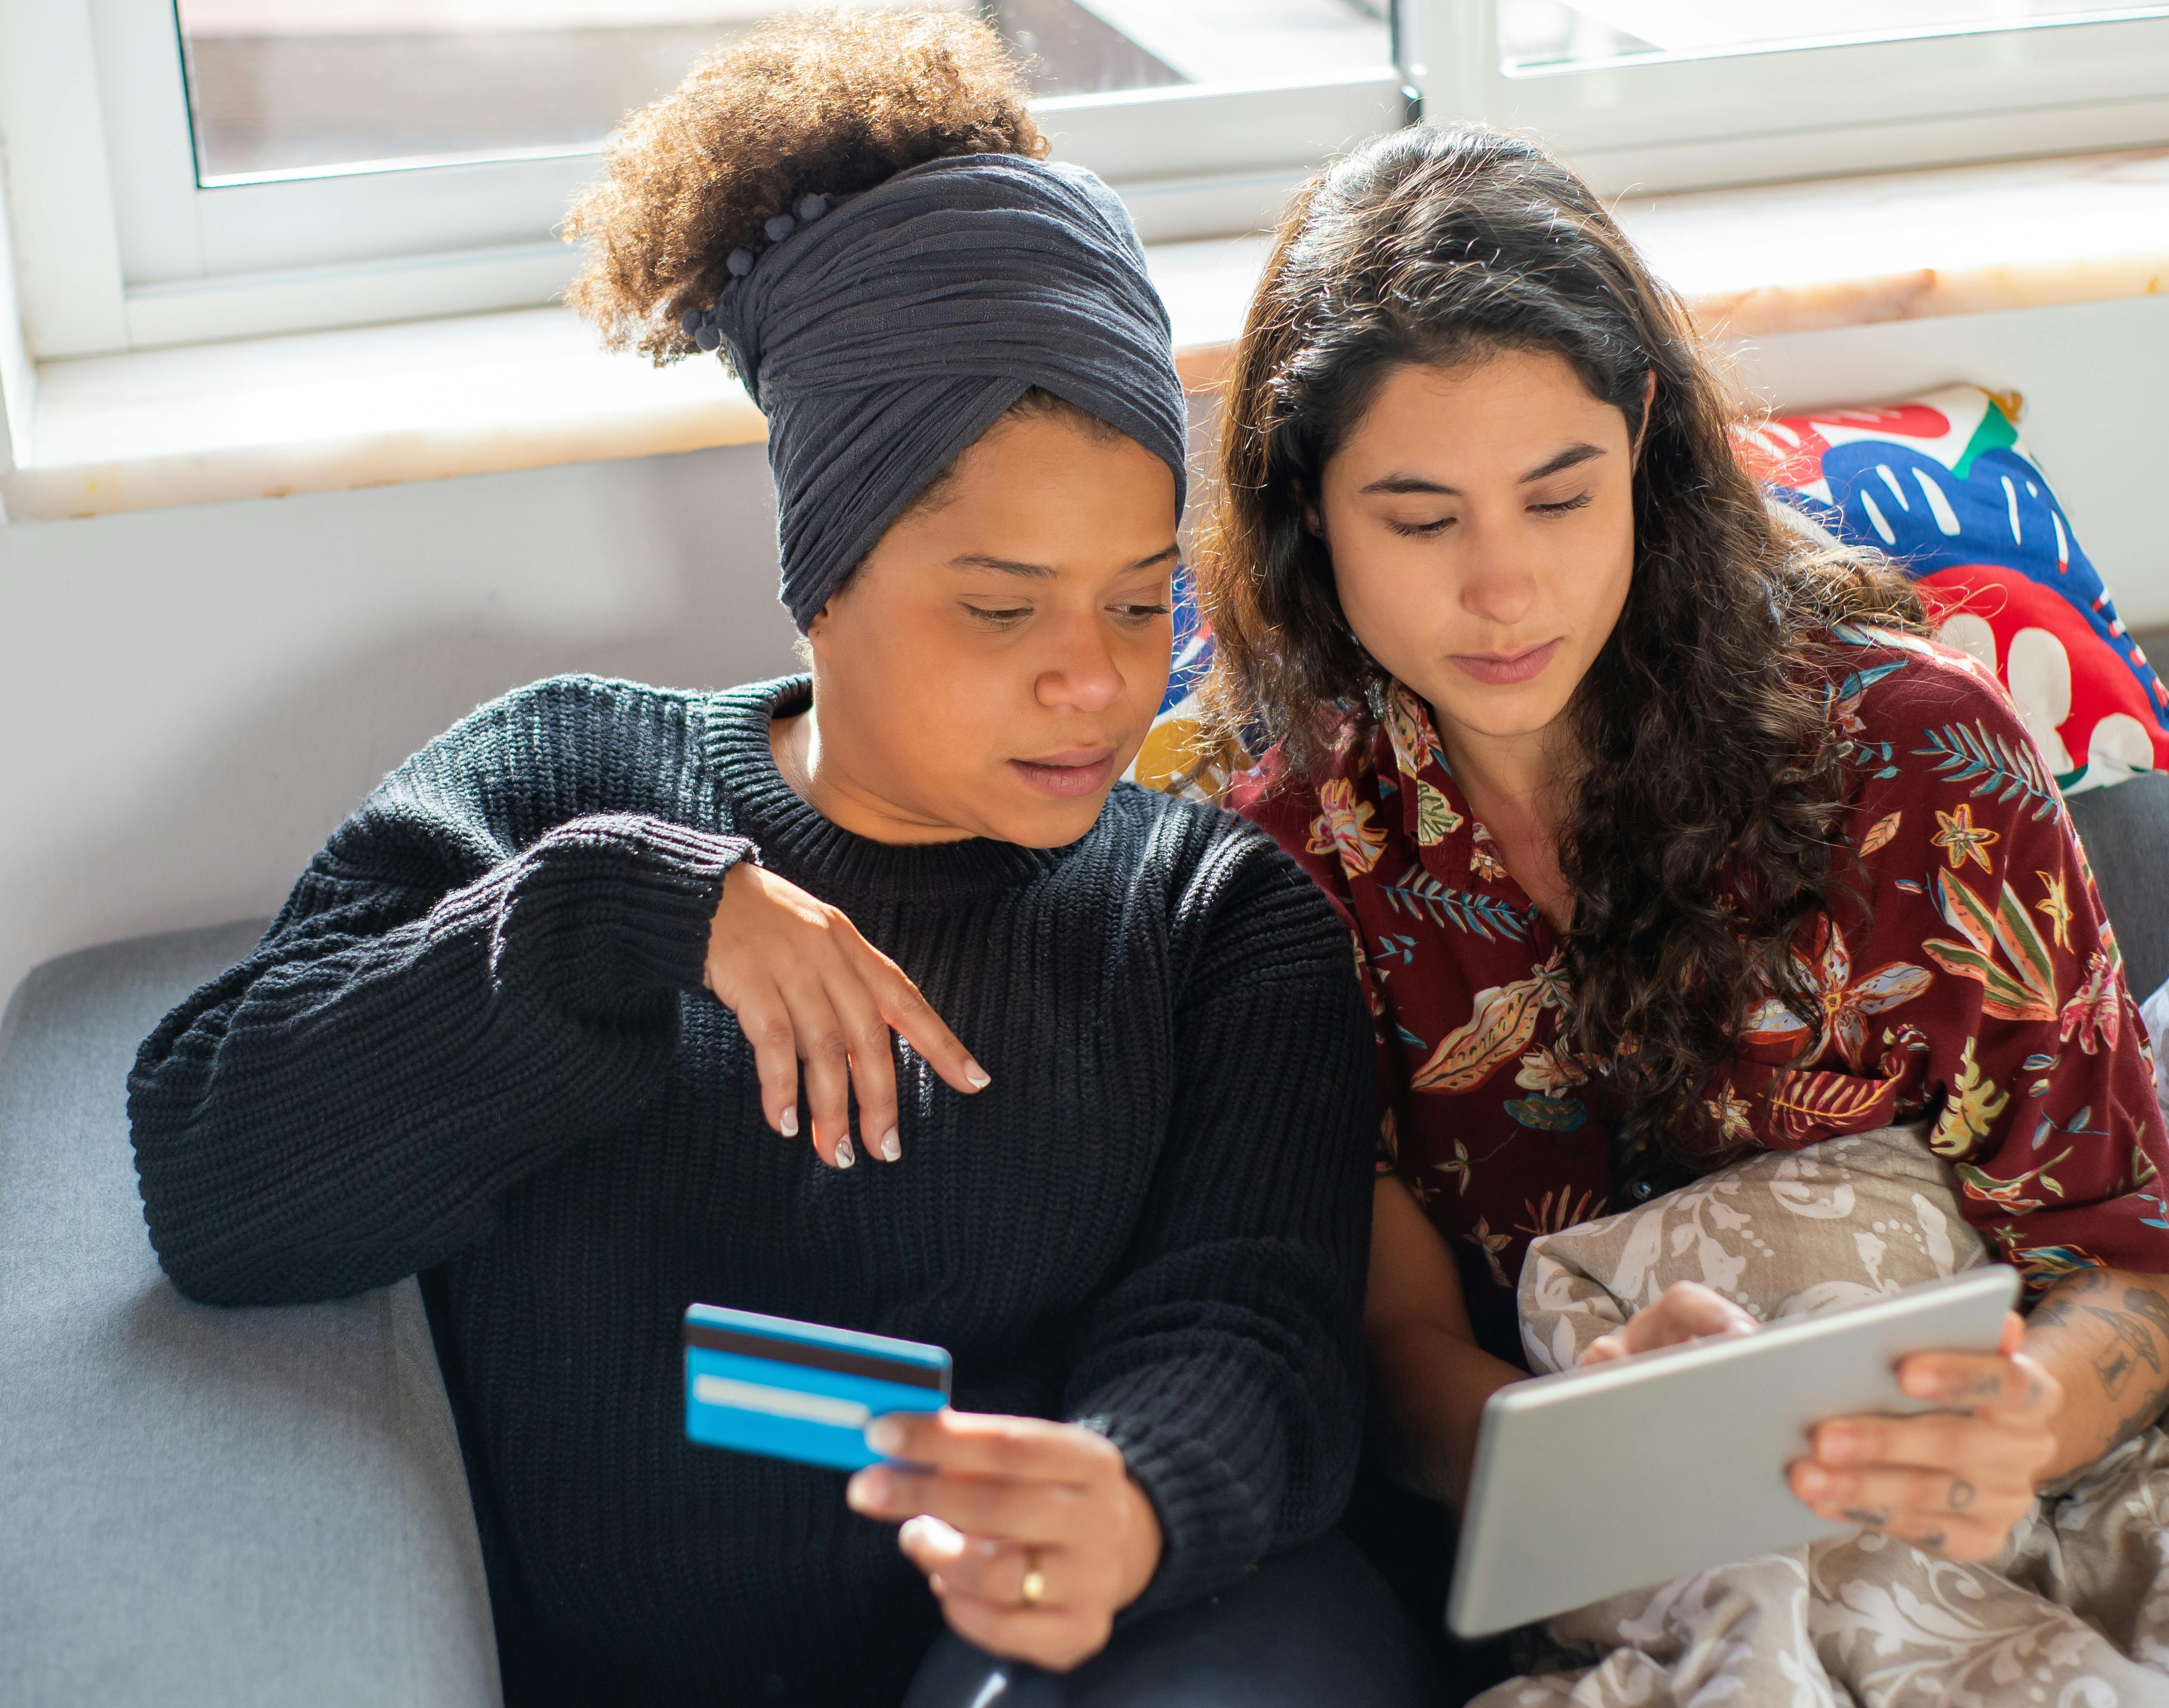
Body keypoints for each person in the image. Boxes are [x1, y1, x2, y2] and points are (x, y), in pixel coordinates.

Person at [127, 16, 1434, 1706]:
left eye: (1135, 597)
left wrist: (1129, 1494)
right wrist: (618, 912)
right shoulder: (561, 779)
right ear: (818, 573)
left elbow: (1249, 1321)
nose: (1098, 680)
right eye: (997, 605)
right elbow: (219, 1175)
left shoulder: (1212, 919)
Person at [1204, 123, 2169, 1653]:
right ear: (1306, 508)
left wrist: (2032, 1413)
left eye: (1559, 496)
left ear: (1645, 440)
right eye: (1418, 519)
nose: (1504, 590)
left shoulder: (1924, 769)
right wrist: (1571, 1439)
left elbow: (2119, 1268)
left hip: (1970, 1534)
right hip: (1572, 1565)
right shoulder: (1290, 855)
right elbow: (1394, 1351)